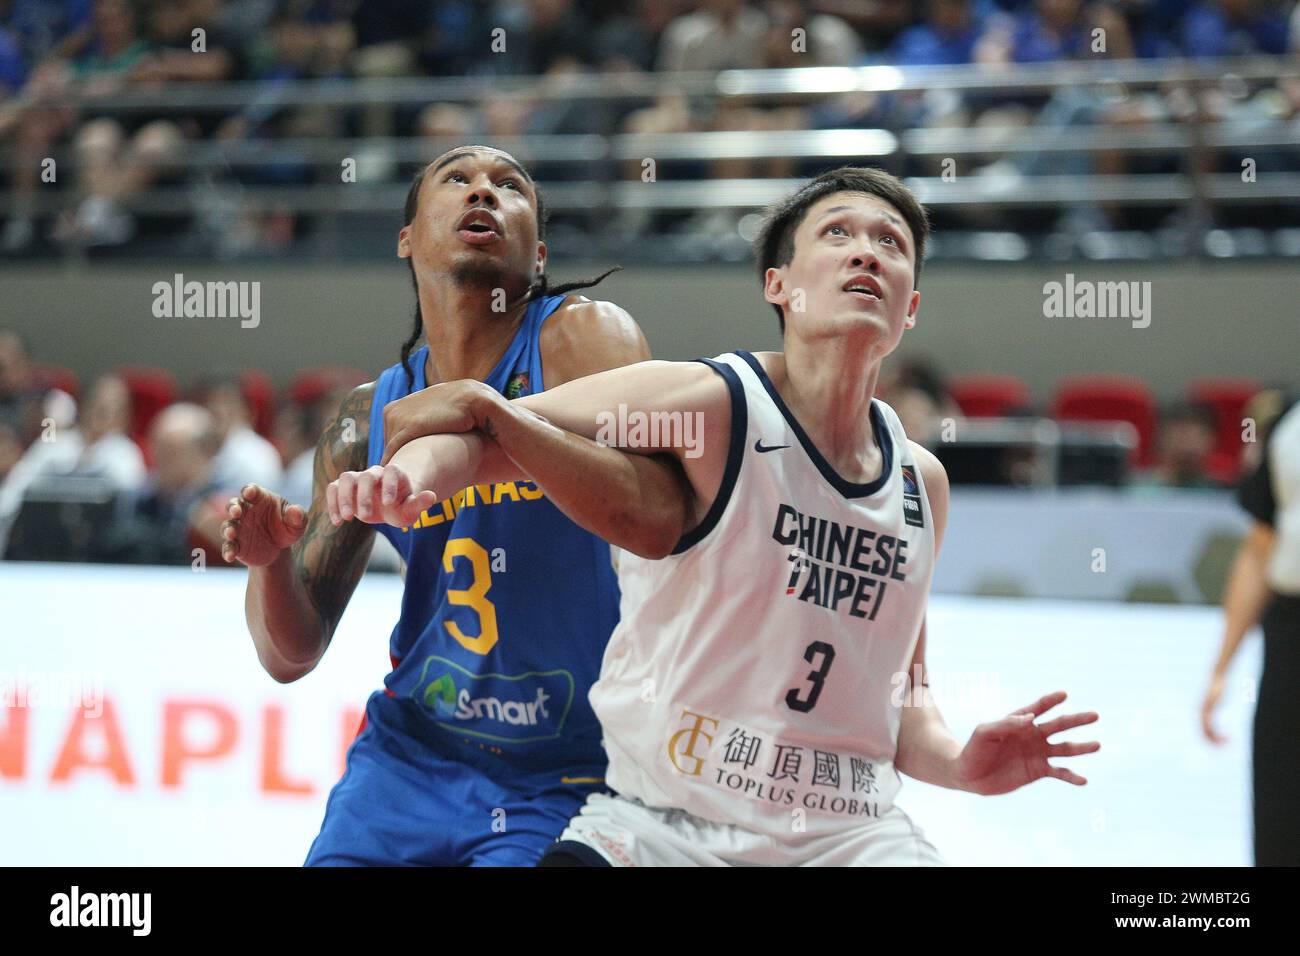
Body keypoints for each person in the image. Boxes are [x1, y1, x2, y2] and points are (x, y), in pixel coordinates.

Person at [331, 166, 1102, 866]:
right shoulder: (712, 406)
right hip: (665, 829)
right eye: (838, 234)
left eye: (890, 243)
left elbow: (904, 705)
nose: (867, 253)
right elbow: (483, 426)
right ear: (778, 284)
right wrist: (402, 477)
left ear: (911, 308)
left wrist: (960, 762)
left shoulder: (919, 482)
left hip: (846, 836)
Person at [220, 145, 676, 866]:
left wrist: (488, 421)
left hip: (569, 768)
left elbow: (654, 512)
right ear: (406, 238)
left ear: (539, 252)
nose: (484, 193)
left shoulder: (584, 338)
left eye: (510, 186)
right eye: (458, 179)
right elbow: (290, 653)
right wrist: (270, 562)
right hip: (409, 756)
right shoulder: (364, 417)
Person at [1201, 396, 1300, 866]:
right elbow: (1260, 547)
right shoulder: (1289, 421)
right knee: (1281, 811)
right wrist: (1222, 667)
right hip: (1290, 635)